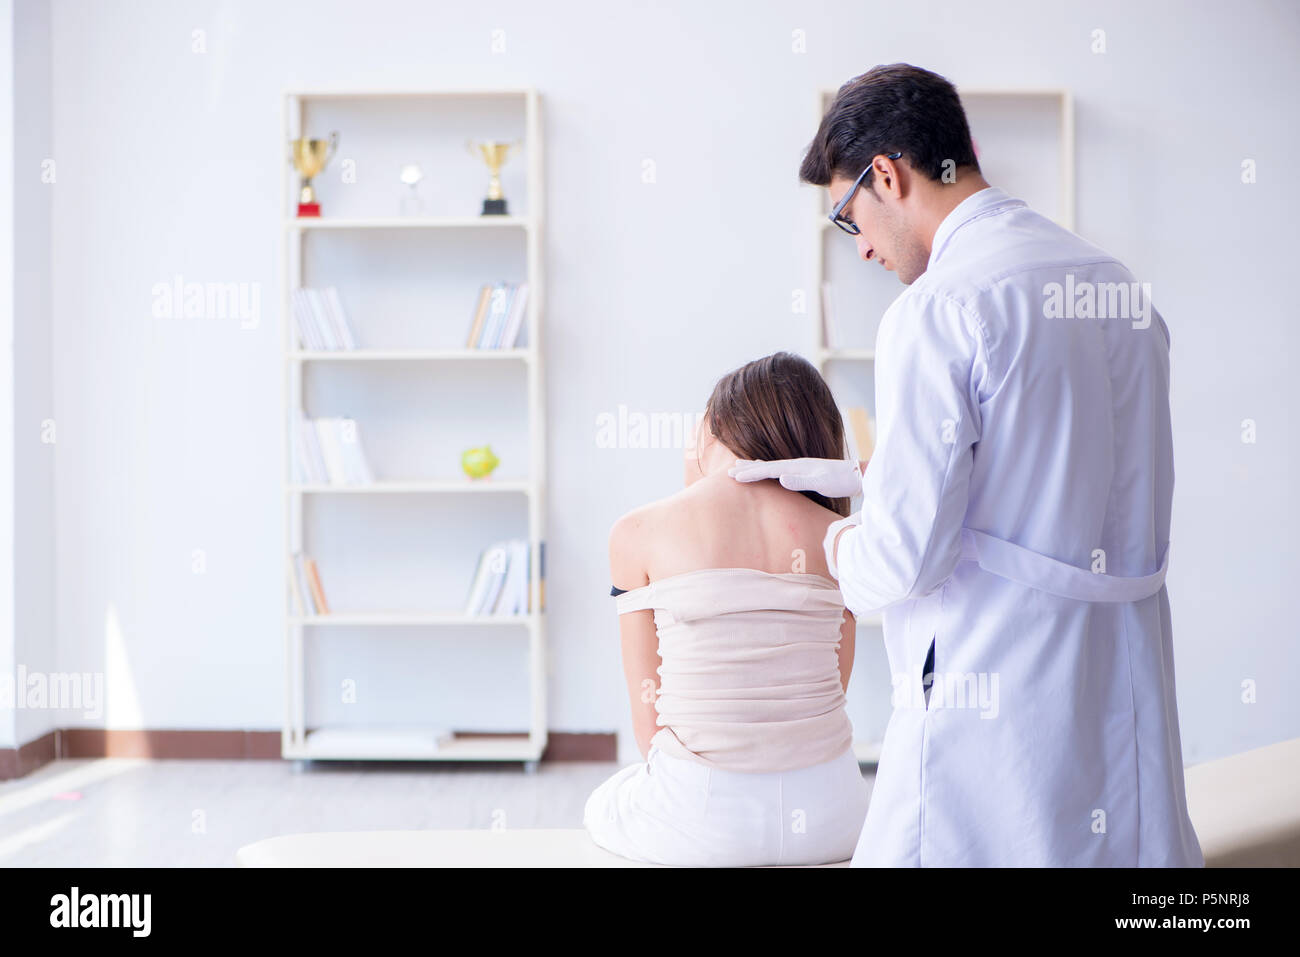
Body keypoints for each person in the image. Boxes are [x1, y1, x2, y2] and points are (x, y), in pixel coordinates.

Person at [731, 63, 1204, 867]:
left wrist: (830, 535)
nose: (865, 248)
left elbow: (900, 563)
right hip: (1124, 695)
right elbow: (1070, 485)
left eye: (852, 218)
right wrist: (880, 481)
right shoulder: (1118, 288)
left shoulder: (938, 309)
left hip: (996, 711)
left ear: (888, 174)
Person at [584, 352, 871, 867]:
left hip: (699, 824)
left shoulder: (637, 532)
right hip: (837, 815)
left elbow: (648, 723)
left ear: (711, 429)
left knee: (602, 804)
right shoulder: (841, 535)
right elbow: (836, 683)